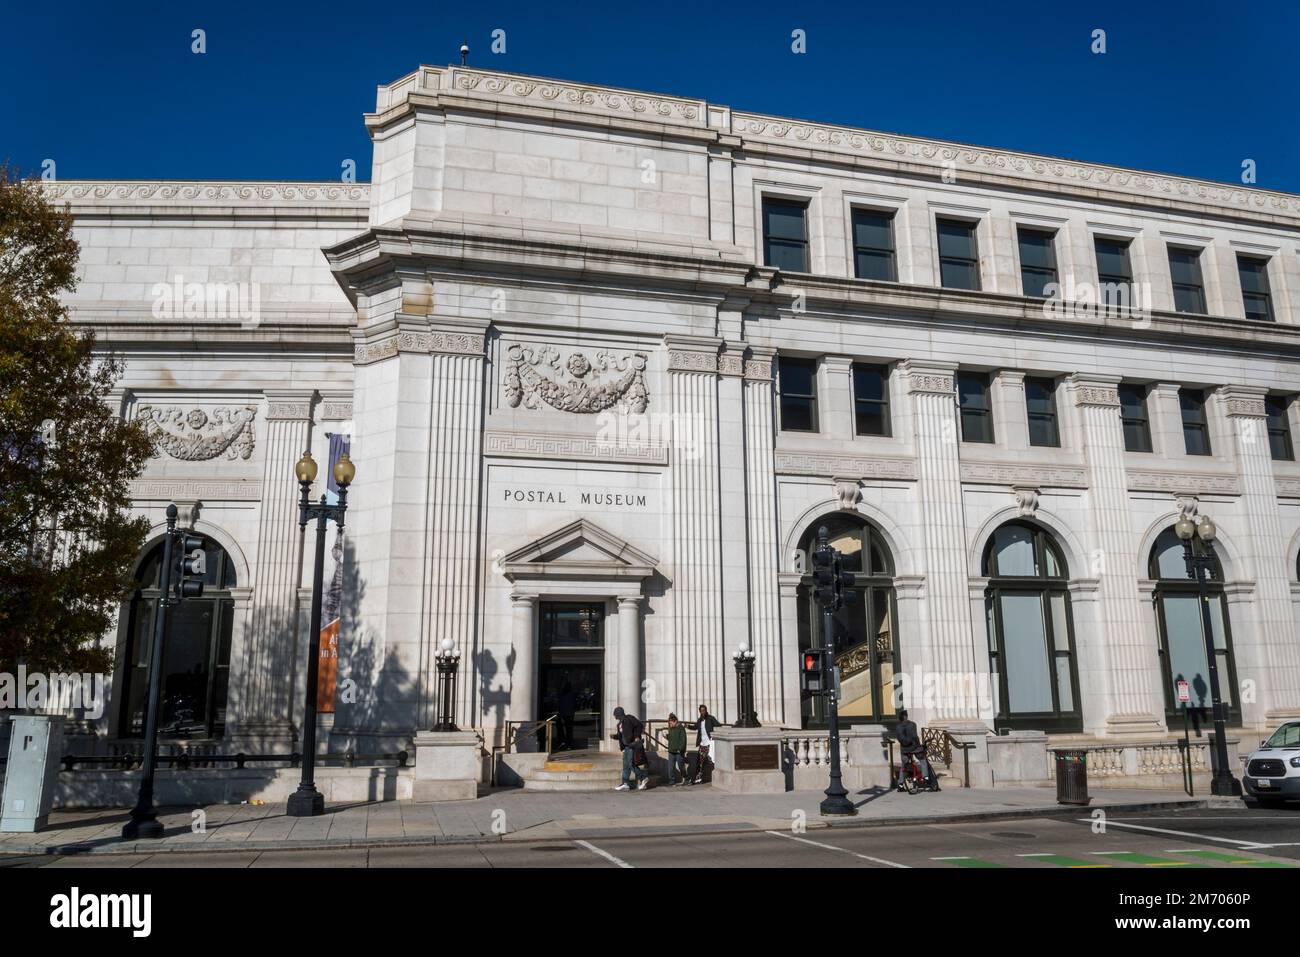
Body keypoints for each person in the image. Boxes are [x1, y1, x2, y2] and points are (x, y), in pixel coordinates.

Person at [894, 709, 939, 792]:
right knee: (923, 760)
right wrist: (919, 746)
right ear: (906, 716)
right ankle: (925, 777)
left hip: (904, 750)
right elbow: (914, 737)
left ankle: (900, 784)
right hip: (915, 748)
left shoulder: (898, 726)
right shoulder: (912, 724)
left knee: (904, 765)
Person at [611, 706, 649, 791]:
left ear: (619, 714)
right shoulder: (619, 724)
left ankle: (643, 777)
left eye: (615, 715)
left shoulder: (629, 718)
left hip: (632, 745)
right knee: (626, 766)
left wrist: (636, 736)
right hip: (626, 747)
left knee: (630, 764)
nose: (615, 717)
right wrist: (615, 736)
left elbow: (639, 725)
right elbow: (622, 736)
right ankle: (625, 783)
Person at [687, 704, 721, 785]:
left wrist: (713, 734)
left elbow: (718, 725)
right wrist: (688, 726)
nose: (703, 712)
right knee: (699, 762)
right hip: (702, 744)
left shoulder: (711, 718)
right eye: (701, 711)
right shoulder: (699, 720)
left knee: (712, 761)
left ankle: (719, 778)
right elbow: (695, 727)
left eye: (704, 710)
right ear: (699, 711)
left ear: (706, 710)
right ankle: (697, 779)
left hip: (710, 743)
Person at [664, 713, 687, 786]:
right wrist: (666, 736)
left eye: (671, 723)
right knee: (670, 767)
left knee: (681, 766)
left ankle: (686, 778)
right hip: (671, 751)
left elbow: (683, 740)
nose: (670, 724)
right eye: (669, 723)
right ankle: (671, 781)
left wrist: (680, 749)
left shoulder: (681, 728)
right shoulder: (671, 728)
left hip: (678, 751)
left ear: (675, 721)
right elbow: (671, 738)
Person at [557, 680, 576, 751]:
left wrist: (560, 715)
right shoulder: (572, 695)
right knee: (569, 731)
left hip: (564, 715)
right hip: (569, 715)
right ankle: (569, 745)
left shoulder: (562, 694)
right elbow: (574, 705)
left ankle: (563, 743)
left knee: (563, 731)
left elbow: (560, 706)